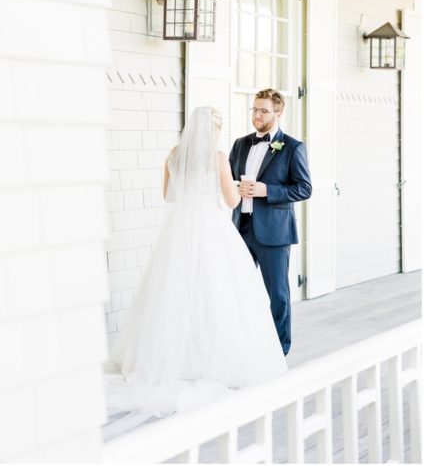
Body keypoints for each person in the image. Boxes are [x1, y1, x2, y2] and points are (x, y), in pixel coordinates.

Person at [106, 106, 287, 419]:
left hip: (179, 228)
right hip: (210, 226)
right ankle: (205, 359)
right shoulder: (217, 157)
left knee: (172, 290)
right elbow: (231, 201)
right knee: (216, 291)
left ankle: (167, 358)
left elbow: (169, 196)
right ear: (214, 130)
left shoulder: (174, 154)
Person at [229, 88, 313, 356]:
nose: (257, 115)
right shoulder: (241, 144)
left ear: (278, 112)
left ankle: (279, 351)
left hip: (274, 233)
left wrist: (268, 191)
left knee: (277, 294)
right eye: (254, 109)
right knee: (236, 289)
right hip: (240, 229)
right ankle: (242, 343)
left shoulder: (292, 147)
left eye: (263, 110)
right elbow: (230, 179)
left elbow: (304, 188)